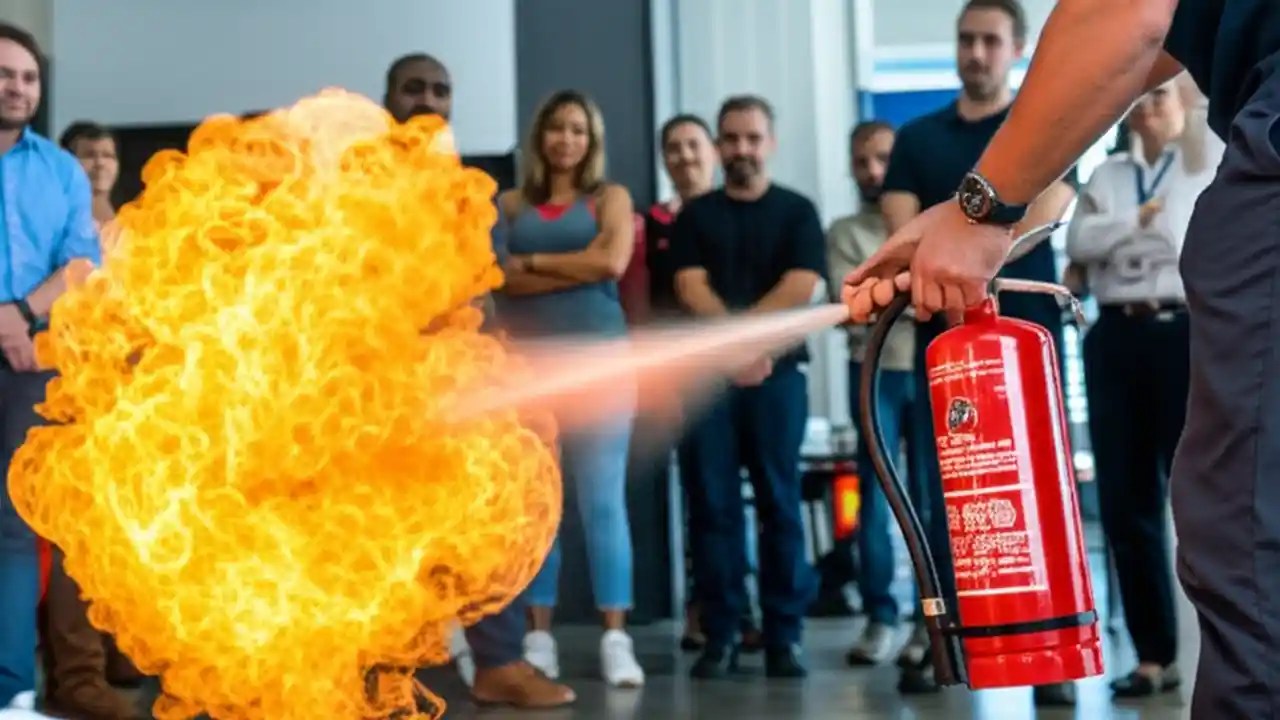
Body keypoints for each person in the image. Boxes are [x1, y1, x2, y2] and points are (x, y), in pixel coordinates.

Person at [843, 1, 1280, 717]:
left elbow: (1123, 12)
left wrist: (980, 211)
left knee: (1251, 537)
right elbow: (1158, 39)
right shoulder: (924, 138)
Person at [873, 0, 1077, 702]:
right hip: (946, 351)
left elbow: (1045, 214)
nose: (977, 52)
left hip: (1026, 350)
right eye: (967, 39)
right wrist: (949, 265)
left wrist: (969, 255)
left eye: (991, 40)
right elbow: (903, 228)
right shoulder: (916, 138)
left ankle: (1051, 650)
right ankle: (945, 640)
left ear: (1017, 48)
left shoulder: (1042, 130)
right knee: (944, 496)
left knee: (1040, 490)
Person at [382, 51, 575, 709]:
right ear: (389, 98)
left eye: (440, 90)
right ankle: (380, 674)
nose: (428, 100)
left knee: (488, 518)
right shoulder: (361, 179)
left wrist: (497, 361)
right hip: (382, 382)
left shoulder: (469, 188)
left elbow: (485, 287)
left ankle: (498, 662)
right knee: (386, 529)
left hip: (464, 377)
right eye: (413, 88)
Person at [1066, 77, 1219, 698]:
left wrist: (1120, 234)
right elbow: (1078, 244)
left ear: (1183, 102)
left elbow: (1184, 244)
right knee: (1126, 501)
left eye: (1160, 95)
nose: (1148, 106)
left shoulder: (1202, 167)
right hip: (1116, 335)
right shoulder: (1107, 175)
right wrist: (1137, 221)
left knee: (1200, 497)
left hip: (1184, 333)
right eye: (1140, 97)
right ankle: (1153, 655)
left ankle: (1218, 650)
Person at [491, 90, 645, 689]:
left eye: (578, 129)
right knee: (541, 508)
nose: (566, 139)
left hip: (603, 368)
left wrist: (533, 264)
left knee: (603, 502)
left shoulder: (611, 198)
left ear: (591, 140)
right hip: (530, 371)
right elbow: (500, 281)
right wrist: (572, 263)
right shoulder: (508, 203)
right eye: (556, 128)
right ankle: (538, 638)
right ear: (541, 137)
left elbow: (611, 264)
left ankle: (616, 639)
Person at [670, 95, 824, 679]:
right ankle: (722, 635)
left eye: (752, 138)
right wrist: (736, 348)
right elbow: (689, 285)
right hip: (709, 383)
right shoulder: (695, 217)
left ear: (770, 143)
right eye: (731, 138)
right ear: (718, 145)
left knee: (780, 505)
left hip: (777, 378)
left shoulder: (797, 211)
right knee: (712, 508)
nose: (742, 149)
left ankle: (784, 637)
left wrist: (750, 346)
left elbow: (802, 285)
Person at [0, 22, 103, 712]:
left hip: (28, 360)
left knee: (13, 530)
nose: (18, 88)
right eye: (5, 74)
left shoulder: (60, 170)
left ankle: (11, 695)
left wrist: (17, 313)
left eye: (29, 77)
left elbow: (81, 261)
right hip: (14, 336)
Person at [825, 120, 915, 666]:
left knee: (932, 494)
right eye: (862, 161)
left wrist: (888, 297)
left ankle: (933, 622)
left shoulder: (928, 224)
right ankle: (881, 616)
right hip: (872, 373)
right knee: (874, 496)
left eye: (883, 157)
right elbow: (852, 306)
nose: (873, 170)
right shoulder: (844, 233)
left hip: (927, 366)